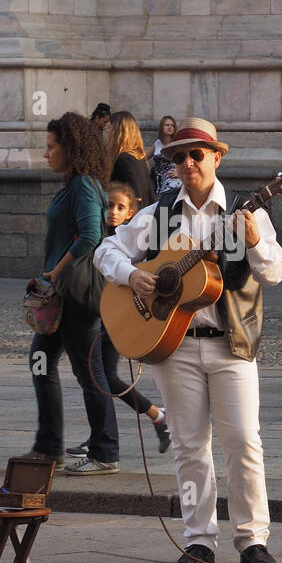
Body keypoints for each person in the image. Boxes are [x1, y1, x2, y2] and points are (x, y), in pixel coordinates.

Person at [94, 117, 282, 563]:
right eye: (178, 157)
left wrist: (256, 243)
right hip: (173, 344)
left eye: (196, 154)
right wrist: (134, 275)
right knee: (188, 444)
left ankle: (251, 539)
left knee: (242, 441)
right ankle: (199, 539)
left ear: (217, 157)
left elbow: (274, 273)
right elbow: (105, 251)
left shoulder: (246, 211)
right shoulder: (158, 213)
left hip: (230, 343)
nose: (187, 163)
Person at [28, 113, 120, 475]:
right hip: (61, 293)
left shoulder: (83, 184)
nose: (45, 154)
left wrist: (55, 270)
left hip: (76, 295)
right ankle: (49, 447)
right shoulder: (75, 184)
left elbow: (90, 236)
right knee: (42, 361)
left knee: (90, 373)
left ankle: (105, 451)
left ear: (71, 148)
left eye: (51, 146)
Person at [68, 182, 171, 458]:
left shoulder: (135, 239)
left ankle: (157, 416)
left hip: (121, 314)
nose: (113, 212)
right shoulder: (104, 236)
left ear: (131, 213)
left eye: (120, 207)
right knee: (101, 376)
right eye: (109, 206)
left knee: (103, 377)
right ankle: (147, 420)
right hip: (105, 312)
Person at [106, 110, 155, 209]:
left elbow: (135, 195)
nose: (107, 131)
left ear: (118, 130)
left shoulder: (124, 159)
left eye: (109, 127)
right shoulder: (138, 157)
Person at [150, 114, 179, 195]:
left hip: (173, 181)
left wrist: (179, 173)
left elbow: (186, 161)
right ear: (161, 127)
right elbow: (144, 157)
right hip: (159, 181)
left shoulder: (177, 144)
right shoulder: (157, 143)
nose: (170, 127)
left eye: (172, 125)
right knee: (162, 204)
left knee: (167, 204)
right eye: (167, 125)